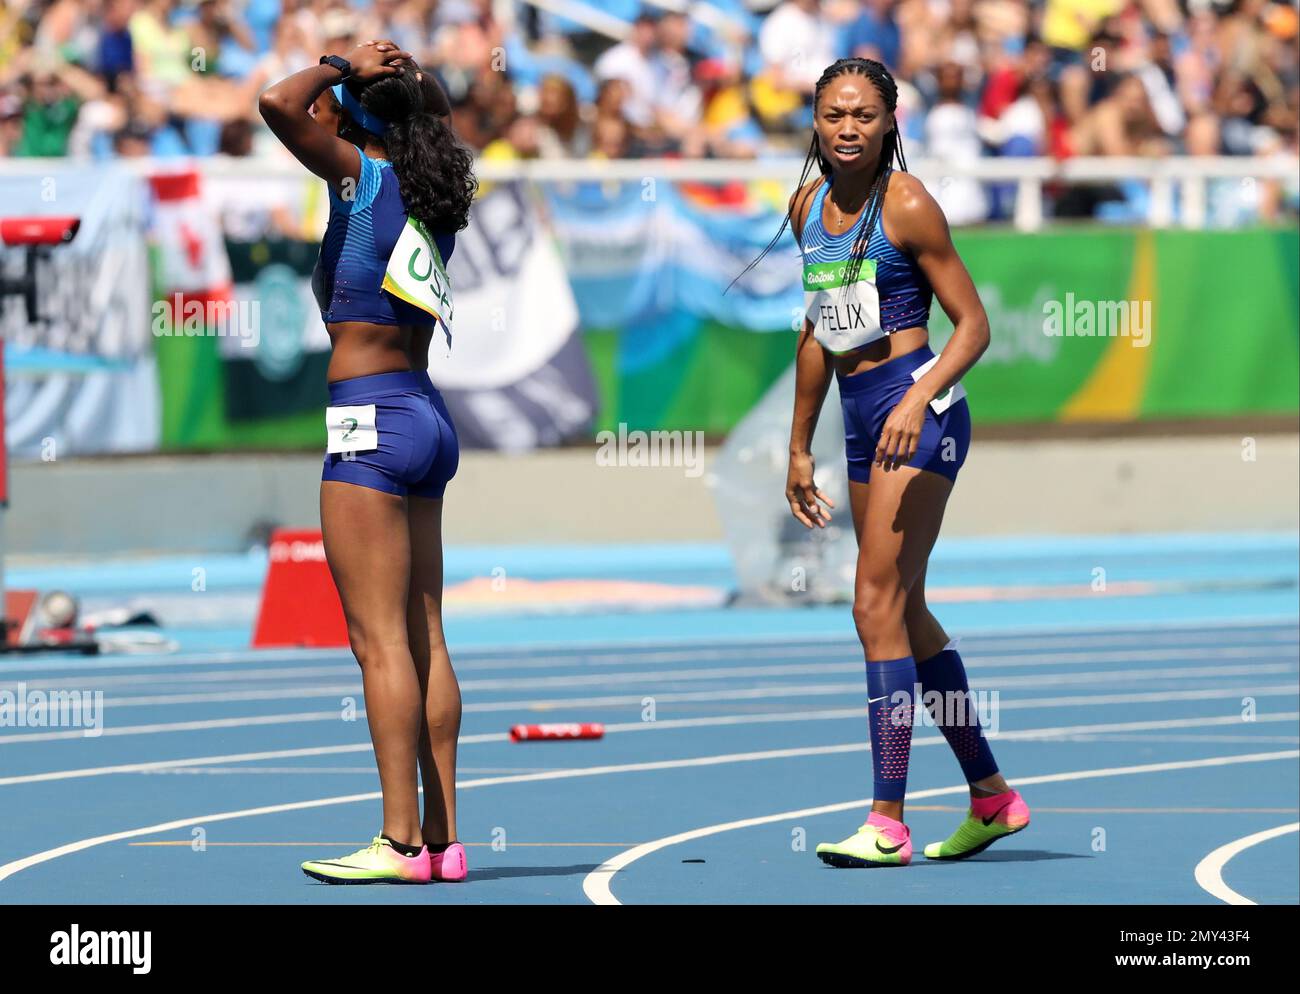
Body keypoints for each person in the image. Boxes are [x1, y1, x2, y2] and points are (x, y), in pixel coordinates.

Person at [736, 57, 1030, 868]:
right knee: (904, 608)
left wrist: (915, 395)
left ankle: (887, 820)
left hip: (921, 415)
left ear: (891, 122)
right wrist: (800, 446)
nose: (849, 128)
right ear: (816, 123)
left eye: (865, 114)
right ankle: (993, 797)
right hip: (862, 422)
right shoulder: (806, 207)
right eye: (835, 115)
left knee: (872, 601)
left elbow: (973, 326)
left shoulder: (907, 203)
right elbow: (816, 334)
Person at [259, 39, 476, 884]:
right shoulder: (437, 189)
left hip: (369, 421)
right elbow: (437, 116)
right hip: (426, 412)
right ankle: (444, 839)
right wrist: (405, 75)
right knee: (426, 635)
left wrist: (338, 61)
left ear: (351, 117)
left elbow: (280, 103)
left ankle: (396, 844)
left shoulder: (360, 177)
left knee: (377, 643)